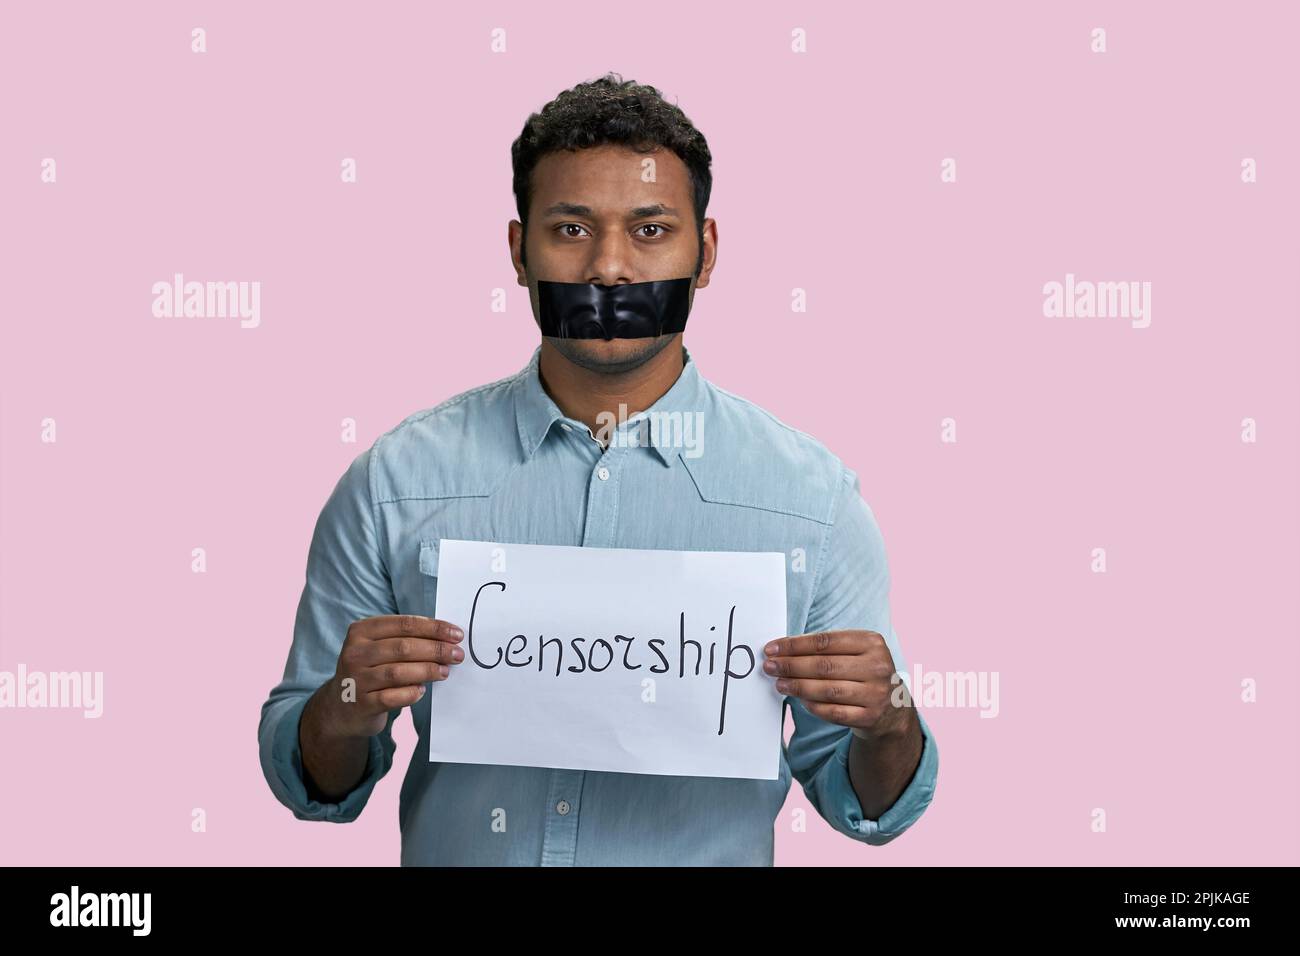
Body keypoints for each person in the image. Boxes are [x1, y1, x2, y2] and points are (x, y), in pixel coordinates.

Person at [257, 72, 938, 866]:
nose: (609, 269)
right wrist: (342, 709)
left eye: (650, 231)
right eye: (571, 231)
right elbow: (309, 777)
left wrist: (889, 720)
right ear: (518, 251)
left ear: (706, 252)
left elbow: (868, 808)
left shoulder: (813, 504)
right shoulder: (392, 484)